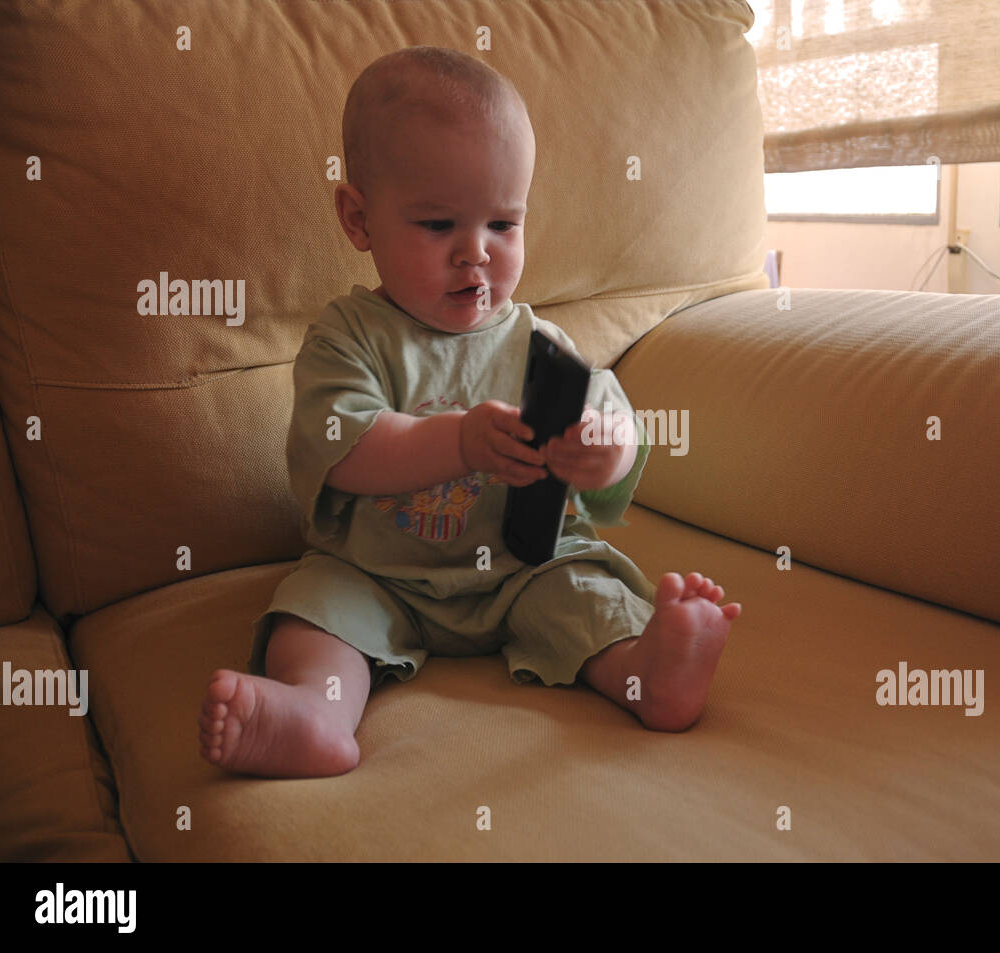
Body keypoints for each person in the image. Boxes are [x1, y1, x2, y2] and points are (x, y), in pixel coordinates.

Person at [198, 46, 740, 778]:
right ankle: (314, 713)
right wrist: (457, 440)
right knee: (315, 609)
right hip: (380, 571)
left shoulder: (541, 344)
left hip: (523, 568)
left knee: (584, 592)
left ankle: (652, 671)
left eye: (503, 225)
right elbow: (345, 444)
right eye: (437, 224)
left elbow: (617, 429)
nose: (475, 254)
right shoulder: (348, 335)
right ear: (358, 218)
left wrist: (598, 448)